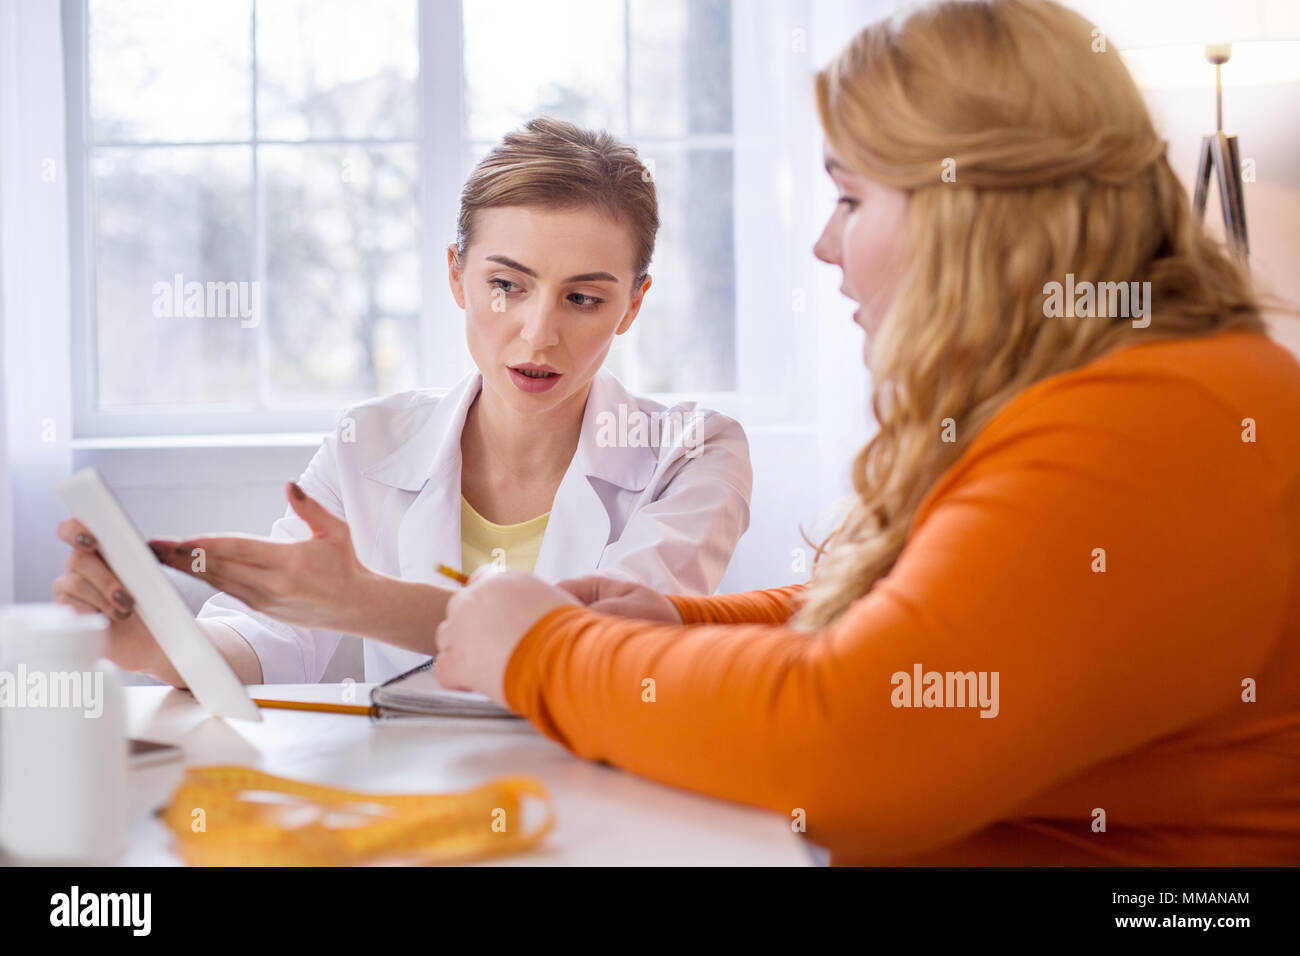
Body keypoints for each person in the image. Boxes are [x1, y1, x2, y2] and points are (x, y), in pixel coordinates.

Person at [429, 0, 1300, 865]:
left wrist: (545, 651)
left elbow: (855, 733)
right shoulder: (1121, 391)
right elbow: (915, 622)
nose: (822, 243)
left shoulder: (1160, 421)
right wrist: (681, 625)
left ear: (973, 211)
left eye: (850, 197)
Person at [53, 117, 753, 686]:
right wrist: (155, 645)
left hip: (605, 798)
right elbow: (268, 640)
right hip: (422, 803)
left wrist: (361, 601)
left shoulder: (696, 453)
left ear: (632, 305)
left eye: (583, 298)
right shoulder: (369, 443)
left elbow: (604, 650)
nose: (539, 334)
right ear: (457, 276)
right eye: (506, 285)